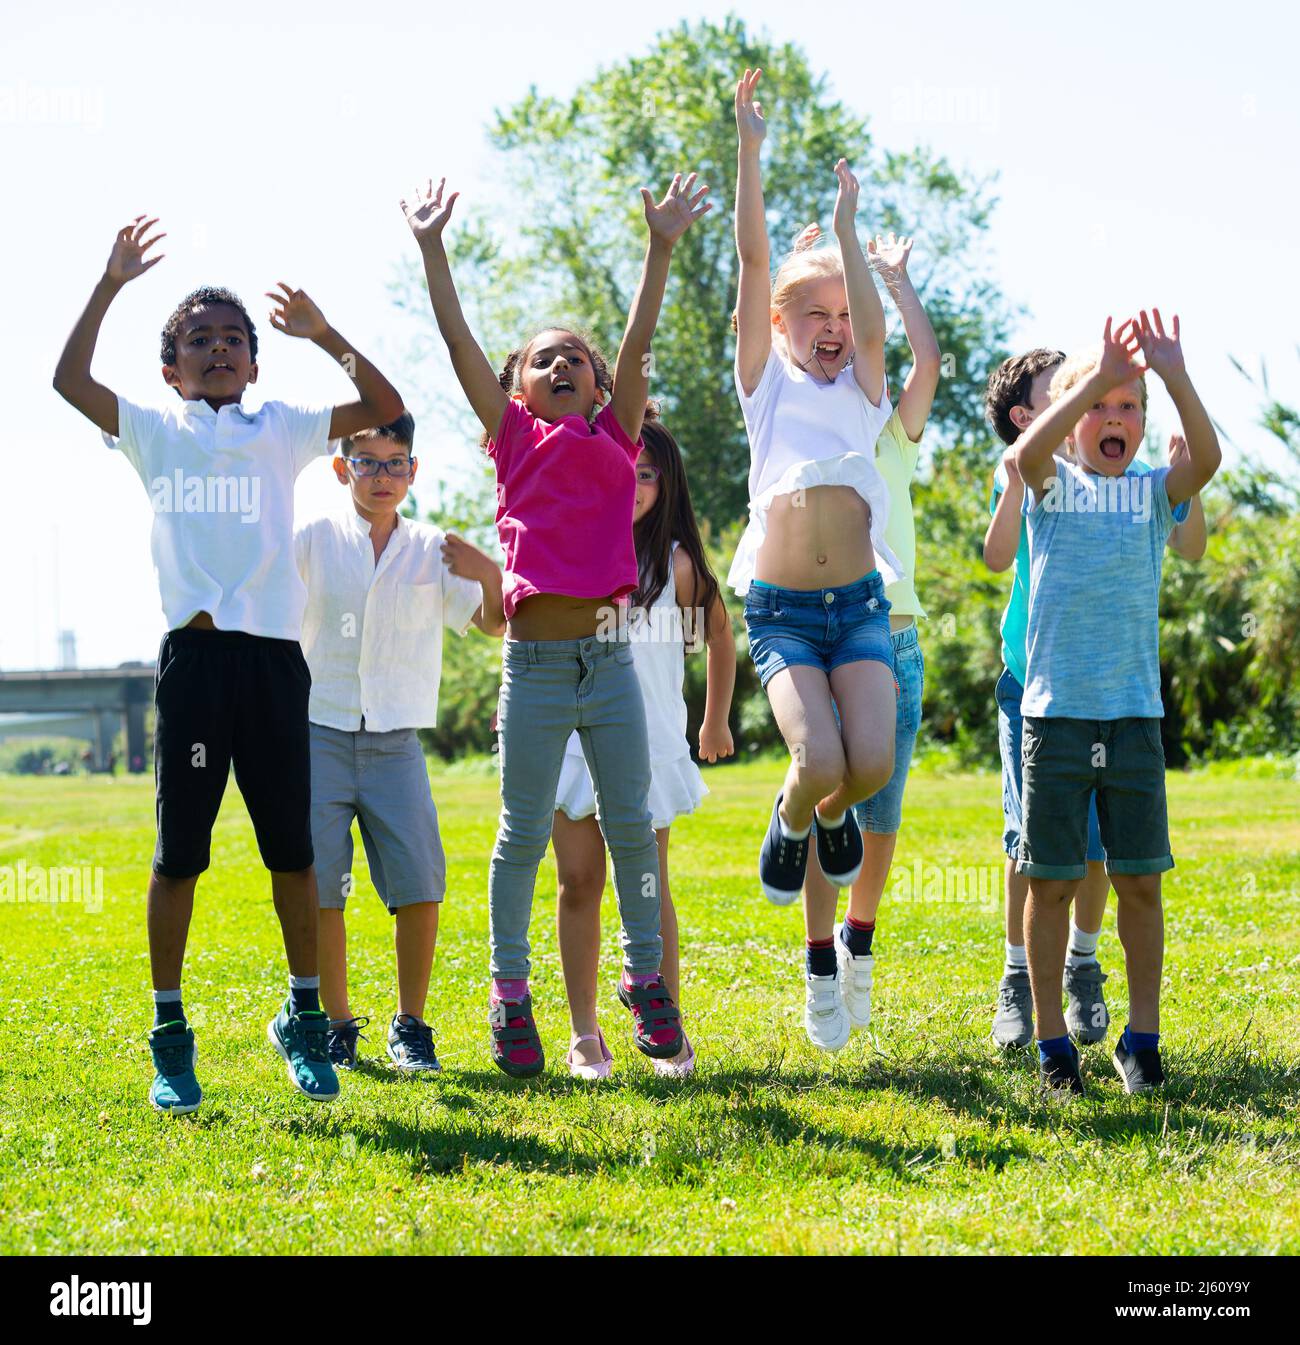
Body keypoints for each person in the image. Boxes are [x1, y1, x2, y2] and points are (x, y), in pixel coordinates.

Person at [52, 216, 404, 1113]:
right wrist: (108, 283)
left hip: (275, 669)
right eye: (199, 340)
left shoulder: (282, 428)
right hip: (198, 666)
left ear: (255, 364)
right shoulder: (152, 429)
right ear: (171, 368)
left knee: (295, 852)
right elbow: (67, 381)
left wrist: (324, 333)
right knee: (181, 855)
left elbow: (386, 404)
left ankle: (302, 1015)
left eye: (234, 340)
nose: (218, 348)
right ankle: (170, 1031)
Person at [403, 171, 710, 1076]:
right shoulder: (511, 440)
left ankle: (647, 982)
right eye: (543, 359)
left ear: (602, 385)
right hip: (534, 669)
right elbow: (459, 340)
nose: (562, 363)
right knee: (522, 834)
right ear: (519, 389)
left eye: (575, 355)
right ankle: (510, 996)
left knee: (633, 823)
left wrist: (659, 249)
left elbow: (639, 340)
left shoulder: (617, 438)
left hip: (608, 664)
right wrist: (432, 249)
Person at [732, 69, 900, 1050]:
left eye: (843, 317)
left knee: (867, 762)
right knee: (821, 758)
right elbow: (755, 265)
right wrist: (751, 149)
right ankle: (793, 816)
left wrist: (846, 228)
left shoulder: (865, 390)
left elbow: (875, 323)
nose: (834, 330)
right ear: (785, 331)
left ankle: (814, 814)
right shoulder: (765, 392)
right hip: (784, 614)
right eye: (816, 319)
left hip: (859, 605)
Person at [1014, 312, 1220, 1096]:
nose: (1114, 418)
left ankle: (1142, 1038)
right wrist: (1090, 381)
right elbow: (1024, 453)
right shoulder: (1052, 487)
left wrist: (1170, 374)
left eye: (1129, 406)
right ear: (1073, 422)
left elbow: (1206, 458)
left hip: (1134, 716)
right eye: (1100, 404)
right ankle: (1051, 1043)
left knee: (1140, 880)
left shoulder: (1149, 494)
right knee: (1053, 882)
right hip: (1055, 717)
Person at [295, 413, 505, 1074]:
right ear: (341, 469)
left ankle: (411, 1024)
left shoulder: (433, 549)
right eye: (367, 461)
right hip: (319, 732)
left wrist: (491, 574)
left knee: (420, 882)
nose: (381, 475)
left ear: (413, 471)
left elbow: (493, 624)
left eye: (395, 463)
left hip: (396, 742)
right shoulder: (311, 542)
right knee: (323, 887)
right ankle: (335, 1024)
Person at [552, 414, 736, 1079]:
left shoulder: (675, 563)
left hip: (651, 743)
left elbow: (719, 635)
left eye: (648, 472)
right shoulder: (565, 546)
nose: (632, 481)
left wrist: (714, 720)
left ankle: (665, 1020)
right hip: (571, 740)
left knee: (647, 887)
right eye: (621, 466)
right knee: (578, 881)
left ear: (666, 483)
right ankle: (583, 1034)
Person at [799, 228, 939, 1047]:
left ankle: (859, 942)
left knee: (878, 817)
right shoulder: (803, 425)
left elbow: (922, 358)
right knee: (827, 803)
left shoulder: (891, 432)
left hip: (899, 640)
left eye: (852, 321)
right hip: (825, 637)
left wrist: (892, 280)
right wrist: (802, 263)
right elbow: (775, 341)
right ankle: (821, 957)